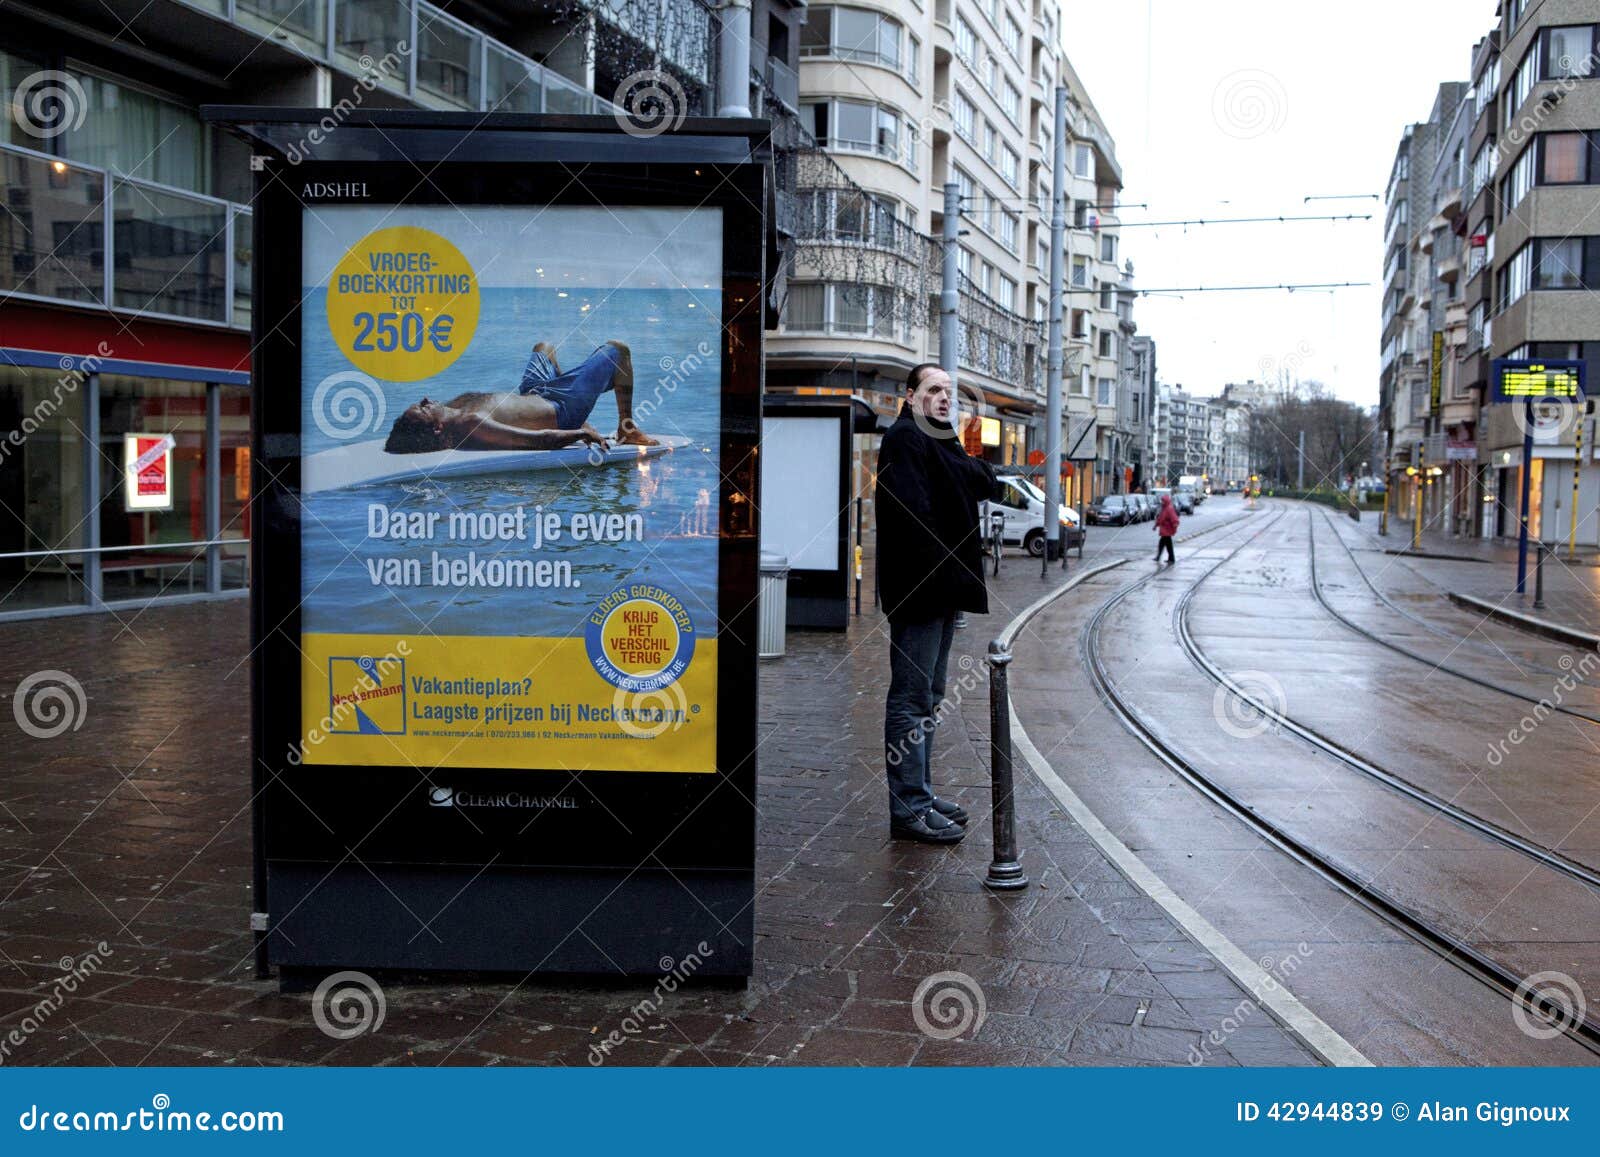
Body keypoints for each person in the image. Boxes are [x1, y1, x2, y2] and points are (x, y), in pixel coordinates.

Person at [875, 364, 1001, 844]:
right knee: (910, 699)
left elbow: (983, 480)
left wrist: (958, 445)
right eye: (933, 390)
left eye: (949, 391)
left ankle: (921, 795)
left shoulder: (940, 441)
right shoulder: (905, 441)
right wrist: (937, 578)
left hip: (942, 592)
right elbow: (914, 517)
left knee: (929, 697)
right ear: (910, 396)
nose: (945, 397)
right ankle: (908, 808)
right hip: (920, 591)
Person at [383, 340, 656, 454]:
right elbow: (539, 440)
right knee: (618, 351)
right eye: (422, 408)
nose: (425, 399)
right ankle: (625, 430)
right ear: (437, 427)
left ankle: (584, 387)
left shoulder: (452, 408)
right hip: (562, 408)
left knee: (544, 347)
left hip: (536, 392)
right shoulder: (467, 423)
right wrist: (579, 432)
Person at [1154, 491, 1179, 565]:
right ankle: (1171, 558)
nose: (1162, 502)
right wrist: (1156, 525)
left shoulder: (1169, 509)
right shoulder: (1164, 508)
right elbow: (1160, 518)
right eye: (1162, 501)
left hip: (1167, 530)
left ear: (1166, 501)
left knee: (1162, 544)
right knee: (1168, 545)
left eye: (1163, 501)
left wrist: (1175, 524)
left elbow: (1174, 518)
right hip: (1165, 530)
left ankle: (1159, 557)